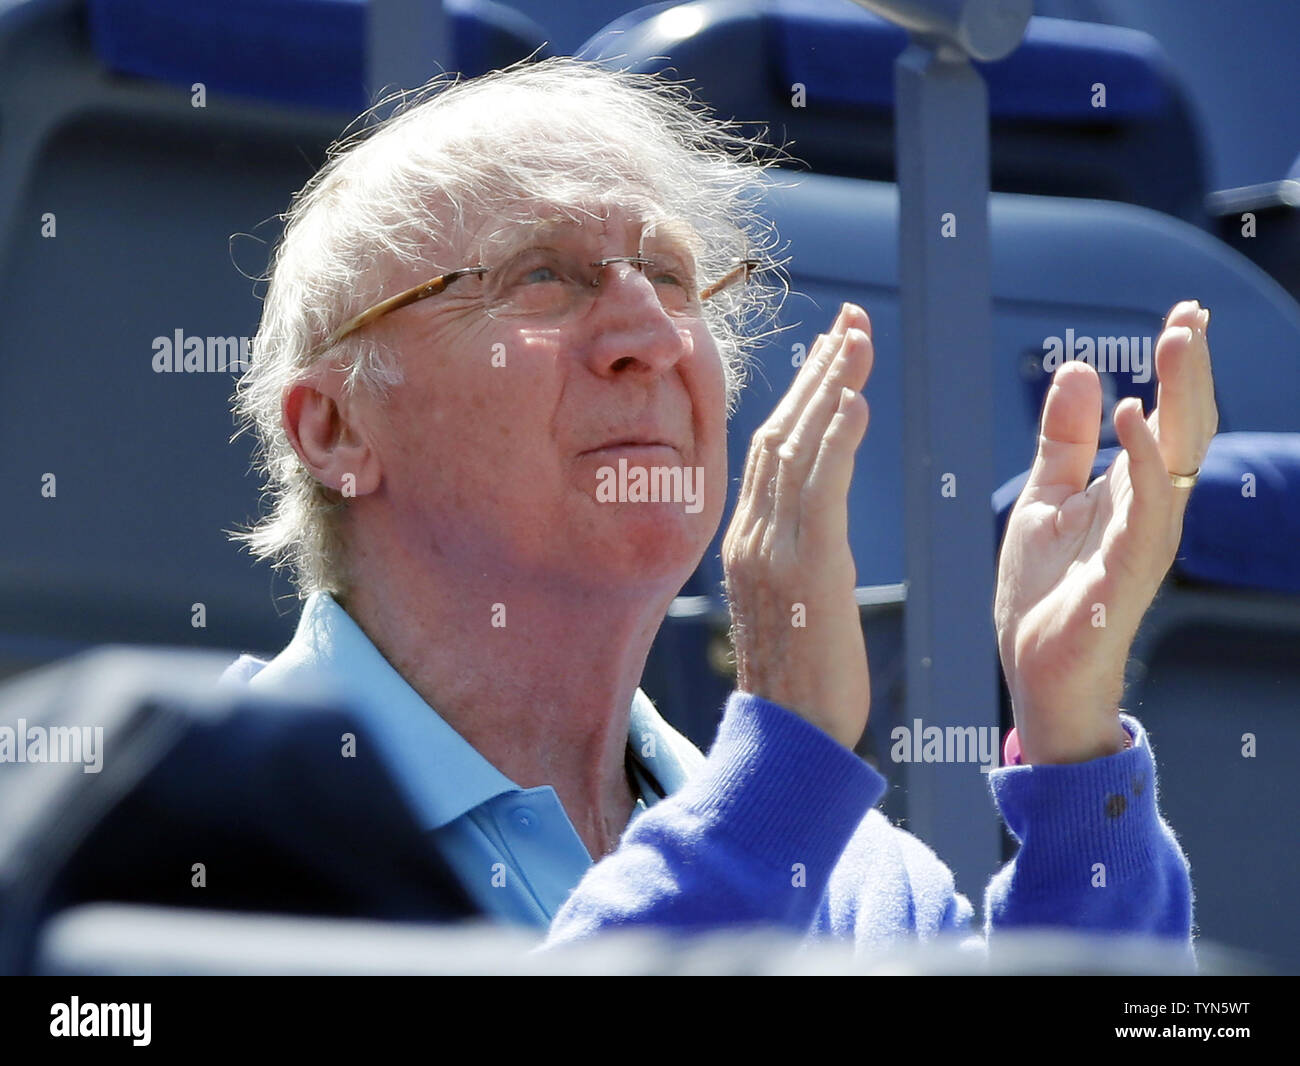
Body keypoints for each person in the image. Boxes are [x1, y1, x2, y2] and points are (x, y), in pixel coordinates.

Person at [226, 57, 1215, 949]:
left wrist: (1073, 745)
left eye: (672, 276)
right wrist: (781, 771)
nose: (651, 333)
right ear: (336, 430)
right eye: (539, 277)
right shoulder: (195, 815)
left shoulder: (850, 870)